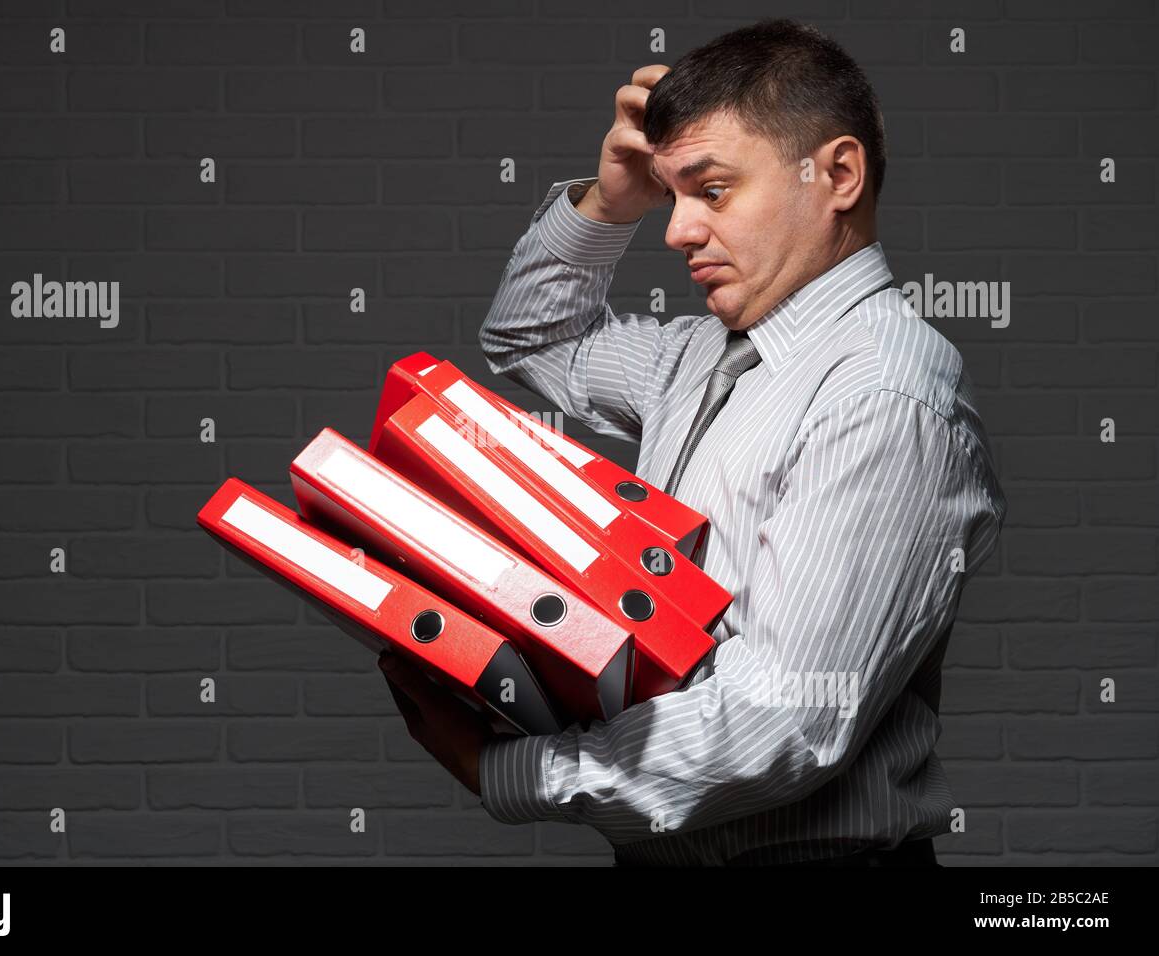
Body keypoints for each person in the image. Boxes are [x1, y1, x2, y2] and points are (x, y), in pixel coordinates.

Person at [378, 18, 1006, 867]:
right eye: (669, 194)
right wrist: (609, 205)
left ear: (839, 175)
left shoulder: (884, 395)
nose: (675, 232)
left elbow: (782, 723)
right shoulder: (696, 354)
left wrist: (512, 773)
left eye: (710, 191)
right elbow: (527, 338)